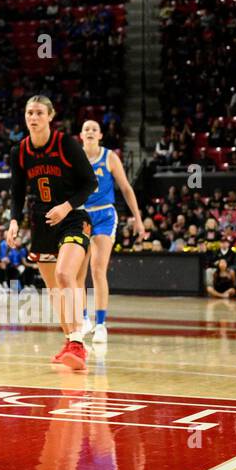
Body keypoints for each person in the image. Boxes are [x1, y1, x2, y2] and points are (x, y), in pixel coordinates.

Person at [5, 95, 97, 370]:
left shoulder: (66, 144)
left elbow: (90, 183)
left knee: (64, 275)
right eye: (29, 113)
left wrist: (66, 207)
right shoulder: (19, 152)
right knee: (55, 290)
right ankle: (70, 340)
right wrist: (13, 221)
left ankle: (78, 344)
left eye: (39, 113)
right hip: (40, 223)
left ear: (50, 116)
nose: (33, 118)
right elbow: (17, 192)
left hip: (73, 219)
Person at [75, 119, 148, 344]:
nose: (90, 132)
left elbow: (126, 187)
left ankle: (100, 324)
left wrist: (138, 219)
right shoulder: (74, 158)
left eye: (94, 129)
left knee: (97, 269)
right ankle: (84, 319)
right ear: (81, 135)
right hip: (81, 214)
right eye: (86, 129)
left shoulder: (109, 157)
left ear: (100, 136)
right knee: (78, 273)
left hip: (105, 215)